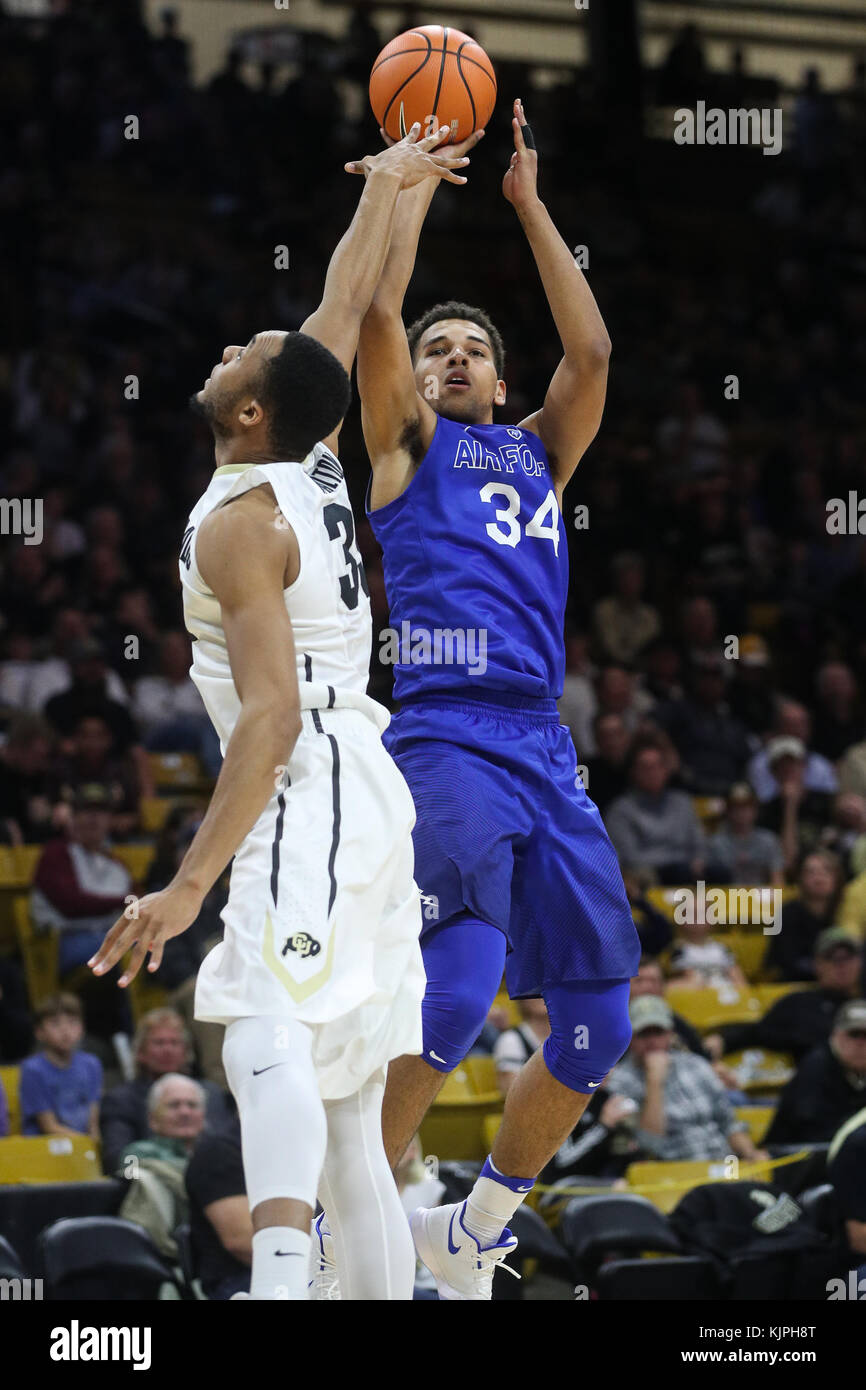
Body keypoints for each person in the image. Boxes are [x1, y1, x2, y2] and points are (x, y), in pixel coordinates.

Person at [90, 125, 471, 1303]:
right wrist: (397, 187)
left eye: (240, 354)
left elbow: (266, 722)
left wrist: (185, 886)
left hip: (311, 781)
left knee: (260, 1028)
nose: (227, 351)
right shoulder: (307, 458)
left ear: (250, 410)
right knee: (347, 1102)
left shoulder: (239, 523)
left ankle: (278, 1285)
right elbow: (347, 299)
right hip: (366, 780)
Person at [340, 97, 640, 1301]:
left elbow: (593, 356)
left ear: (501, 377)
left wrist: (527, 205)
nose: (452, 356)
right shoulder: (404, 447)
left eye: (471, 348)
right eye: (437, 351)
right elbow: (372, 313)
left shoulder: (536, 452)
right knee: (456, 995)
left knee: (598, 1023)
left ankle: (468, 1233)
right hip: (444, 732)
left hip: (541, 743)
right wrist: (409, 188)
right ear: (412, 384)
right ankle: (341, 1219)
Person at [607, 996, 765, 1162]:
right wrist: (654, 1081)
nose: (652, 1041)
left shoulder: (695, 1065)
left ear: (670, 1034)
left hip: (722, 1165)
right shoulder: (620, 1081)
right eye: (644, 1034)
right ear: (629, 1037)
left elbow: (728, 1124)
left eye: (658, 1032)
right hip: (672, 1172)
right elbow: (650, 1145)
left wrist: (751, 1154)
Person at [100, 1008, 235, 1175]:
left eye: (174, 1043)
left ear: (186, 1052)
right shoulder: (121, 1100)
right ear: (141, 1052)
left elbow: (229, 1145)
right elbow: (119, 1160)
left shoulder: (211, 1093)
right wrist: (151, 1173)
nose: (167, 1049)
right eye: (159, 1043)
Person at [705, 928, 865, 1062]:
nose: (842, 965)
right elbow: (759, 1031)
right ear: (817, 964)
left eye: (848, 957)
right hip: (823, 1081)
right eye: (832, 957)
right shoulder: (799, 1004)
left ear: (860, 961)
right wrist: (724, 1040)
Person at [765, 1000, 866, 1146]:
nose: (861, 1043)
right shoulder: (815, 1068)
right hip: (793, 1152)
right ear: (836, 1035)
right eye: (854, 1034)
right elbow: (811, 1129)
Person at [605, 740, 706, 883]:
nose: (653, 772)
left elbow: (699, 845)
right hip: (648, 876)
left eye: (658, 766)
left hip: (687, 871)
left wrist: (698, 861)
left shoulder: (682, 802)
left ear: (666, 770)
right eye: (646, 768)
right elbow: (629, 858)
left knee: (720, 874)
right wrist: (674, 862)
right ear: (633, 772)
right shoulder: (621, 810)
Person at [19, 993, 102, 1139]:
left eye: (72, 1022)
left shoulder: (92, 1064)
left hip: (83, 1143)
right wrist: (85, 1142)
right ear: (39, 1032)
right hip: (46, 1145)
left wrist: (94, 1142)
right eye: (55, 1023)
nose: (65, 1030)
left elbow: (93, 1121)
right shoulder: (32, 1070)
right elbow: (48, 1126)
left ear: (82, 1028)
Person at [763, 849, 844, 981]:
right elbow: (786, 962)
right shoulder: (786, 914)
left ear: (837, 878)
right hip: (794, 983)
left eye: (826, 871)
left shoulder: (844, 912)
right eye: (811, 872)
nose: (819, 878)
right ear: (800, 878)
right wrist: (826, 969)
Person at [705, 782, 785, 886]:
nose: (741, 813)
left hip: (761, 895)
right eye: (736, 807)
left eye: (746, 807)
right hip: (725, 895)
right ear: (728, 811)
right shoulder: (716, 843)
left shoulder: (768, 840)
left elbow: (778, 880)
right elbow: (707, 883)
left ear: (755, 810)